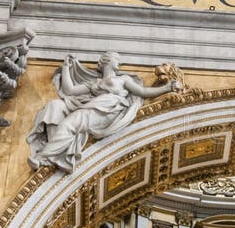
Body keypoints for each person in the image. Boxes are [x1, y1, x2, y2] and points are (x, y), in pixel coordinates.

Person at [27, 51, 179, 173]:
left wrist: (166, 88)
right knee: (59, 110)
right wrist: (66, 68)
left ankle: (44, 157)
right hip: (95, 106)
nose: (119, 62)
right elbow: (69, 90)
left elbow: (143, 91)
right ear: (107, 62)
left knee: (69, 124)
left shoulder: (123, 79)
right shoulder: (96, 83)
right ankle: (56, 153)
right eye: (116, 59)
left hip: (108, 107)